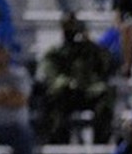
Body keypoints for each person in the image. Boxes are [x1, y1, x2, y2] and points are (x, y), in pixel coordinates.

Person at [36, 13, 116, 146]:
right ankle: (59, 147)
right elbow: (52, 75)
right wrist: (67, 83)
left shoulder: (91, 49)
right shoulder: (55, 53)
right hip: (67, 93)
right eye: (68, 26)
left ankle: (101, 146)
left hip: (89, 91)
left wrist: (89, 43)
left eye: (74, 26)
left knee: (106, 94)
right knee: (55, 96)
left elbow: (106, 65)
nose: (72, 30)